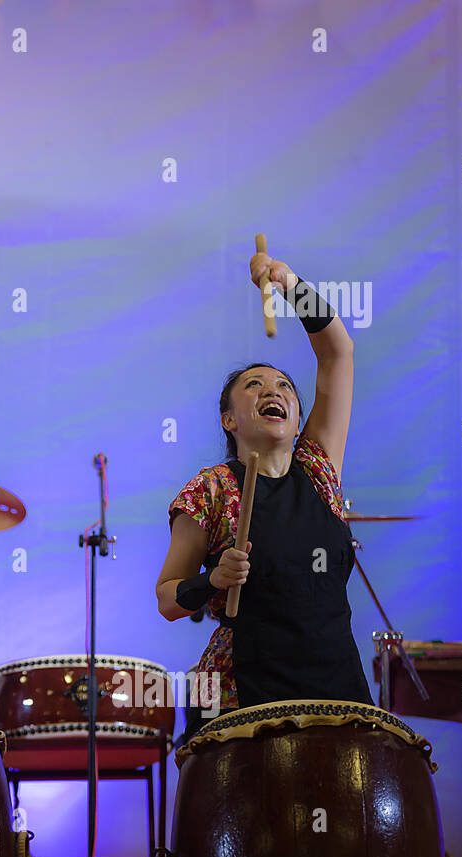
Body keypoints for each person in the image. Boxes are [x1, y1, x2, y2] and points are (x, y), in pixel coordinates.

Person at [156, 248, 372, 736]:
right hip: (241, 690)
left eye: (283, 387)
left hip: (335, 680)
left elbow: (338, 353)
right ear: (229, 420)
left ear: (297, 420)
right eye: (253, 385)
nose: (272, 390)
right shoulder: (209, 490)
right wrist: (214, 580)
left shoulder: (318, 468)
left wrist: (290, 283)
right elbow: (168, 599)